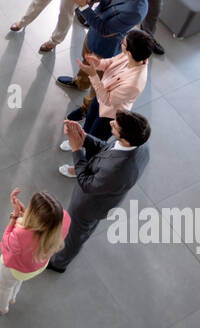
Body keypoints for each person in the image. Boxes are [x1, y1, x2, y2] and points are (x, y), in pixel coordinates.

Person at [47, 109, 151, 273]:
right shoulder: (139, 144)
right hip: (102, 195)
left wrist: (77, 150)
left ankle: (59, 263)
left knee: (76, 234)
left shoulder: (119, 170)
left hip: (89, 204)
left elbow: (87, 184)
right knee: (76, 228)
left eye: (115, 126)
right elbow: (106, 149)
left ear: (126, 138)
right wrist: (84, 137)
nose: (110, 123)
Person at [60, 28, 152, 175]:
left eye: (123, 42)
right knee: (88, 122)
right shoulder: (130, 56)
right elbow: (111, 62)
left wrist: (93, 75)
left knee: (95, 141)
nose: (121, 41)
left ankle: (80, 169)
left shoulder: (134, 83)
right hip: (100, 97)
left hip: (110, 113)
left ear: (129, 52)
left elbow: (108, 100)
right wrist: (99, 64)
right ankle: (78, 142)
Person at [56, 0, 152, 90]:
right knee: (87, 61)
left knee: (98, 80)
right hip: (93, 31)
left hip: (105, 46)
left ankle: (88, 106)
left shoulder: (137, 10)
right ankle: (81, 83)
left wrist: (84, 7)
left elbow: (105, 29)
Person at [0, 189, 69, 314]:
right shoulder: (64, 220)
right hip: (37, 266)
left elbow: (6, 241)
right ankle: (12, 297)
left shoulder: (20, 234)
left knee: (4, 287)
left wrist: (15, 216)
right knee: (17, 282)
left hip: (14, 268)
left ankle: (1, 305)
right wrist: (26, 215)